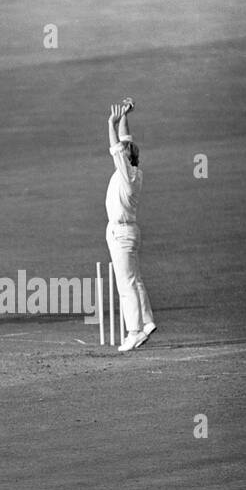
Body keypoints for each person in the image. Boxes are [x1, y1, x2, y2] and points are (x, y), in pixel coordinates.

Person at [105, 100, 156, 351]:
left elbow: (116, 147)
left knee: (126, 284)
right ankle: (147, 323)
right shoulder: (136, 170)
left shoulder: (126, 175)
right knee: (135, 280)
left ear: (127, 157)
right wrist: (125, 115)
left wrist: (110, 123)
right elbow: (124, 141)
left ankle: (134, 331)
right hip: (129, 231)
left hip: (121, 233)